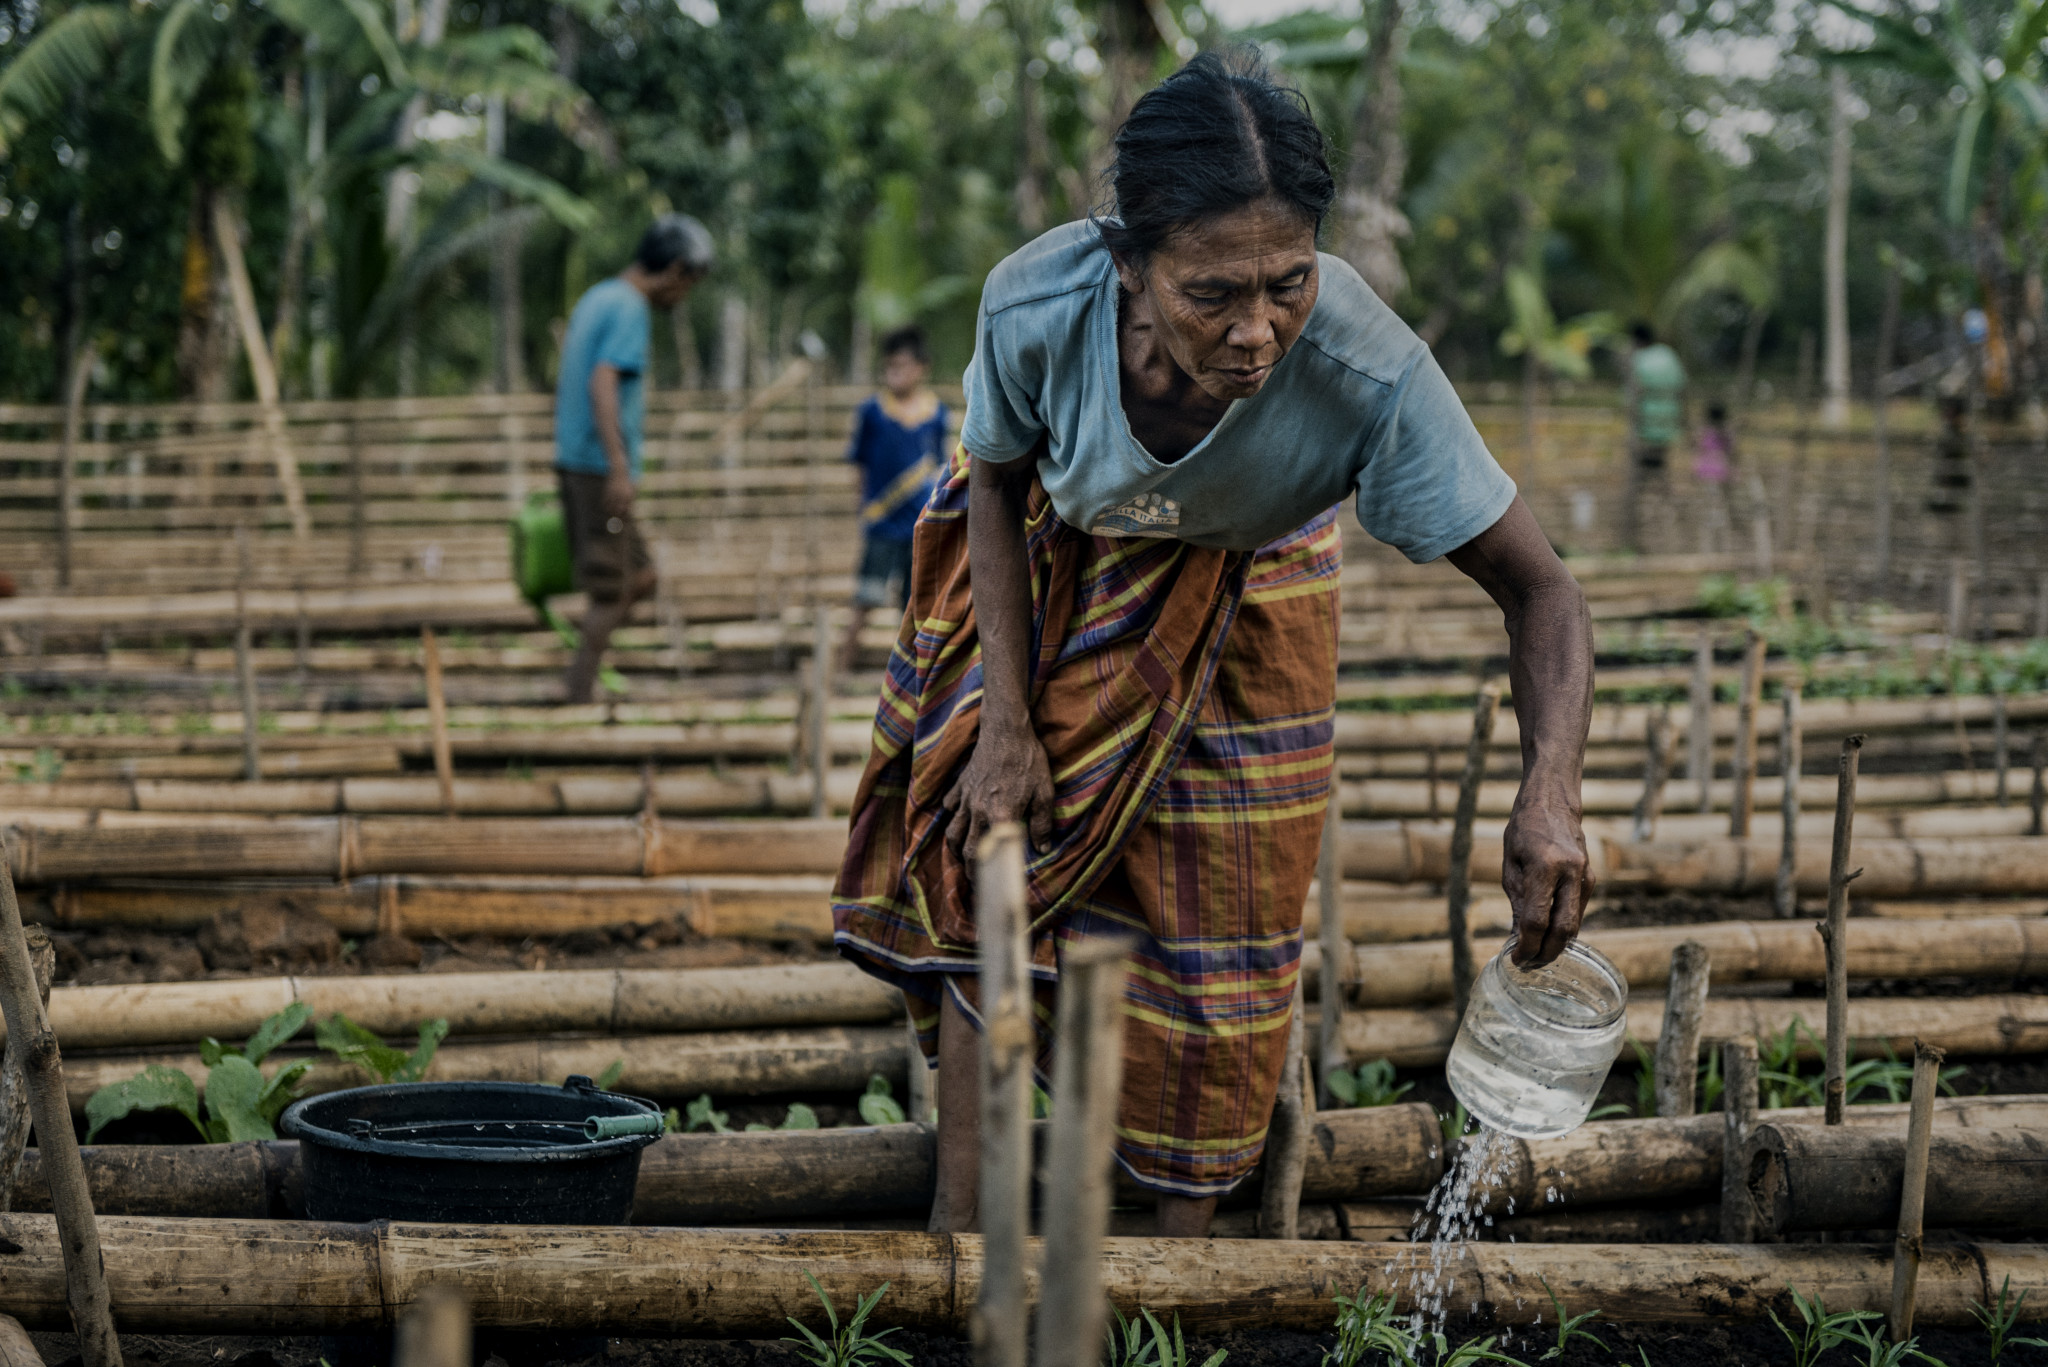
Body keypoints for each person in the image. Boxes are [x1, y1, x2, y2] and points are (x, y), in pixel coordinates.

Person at [830, 51, 1594, 1238]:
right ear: (1128, 263)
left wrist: (1548, 791)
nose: (1255, 332)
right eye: (1211, 295)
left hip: (1255, 584)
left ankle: (1176, 1275)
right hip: (1052, 561)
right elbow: (989, 479)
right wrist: (1008, 724)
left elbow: (1541, 590)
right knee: (991, 865)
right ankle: (959, 1237)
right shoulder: (1037, 304)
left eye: (1286, 283)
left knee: (1221, 931)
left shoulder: (1364, 368)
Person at [553, 213, 715, 703]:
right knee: (612, 587)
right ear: (676, 272)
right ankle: (577, 693)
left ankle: (583, 675)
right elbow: (602, 384)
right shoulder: (629, 309)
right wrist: (619, 469)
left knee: (639, 575)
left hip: (581, 461)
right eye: (688, 284)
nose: (683, 297)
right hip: (597, 467)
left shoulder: (599, 296)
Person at [840, 326, 947, 672]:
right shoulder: (872, 412)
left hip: (919, 523)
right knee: (865, 599)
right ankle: (843, 667)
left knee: (914, 604)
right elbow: (860, 465)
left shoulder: (936, 413)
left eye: (902, 366)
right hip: (882, 522)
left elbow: (938, 465)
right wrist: (864, 511)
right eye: (890, 367)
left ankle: (912, 673)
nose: (894, 374)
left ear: (921, 368)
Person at [1626, 321, 1686, 552]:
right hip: (1668, 420)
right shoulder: (1668, 355)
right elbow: (1681, 387)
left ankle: (1645, 501)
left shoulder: (1638, 359)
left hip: (1646, 422)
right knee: (1660, 461)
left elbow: (1635, 392)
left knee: (1643, 466)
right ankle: (1664, 498)